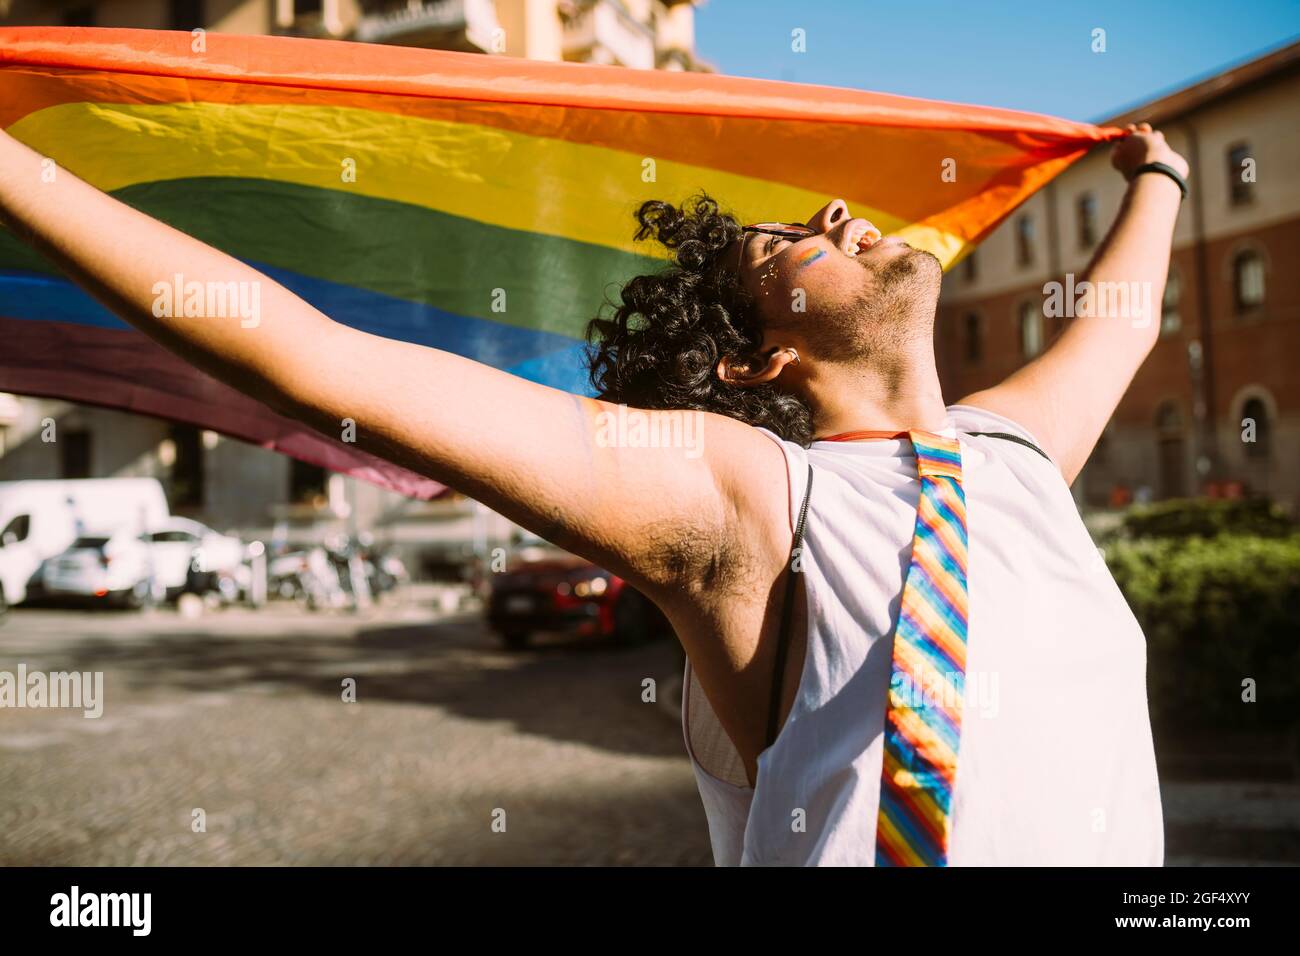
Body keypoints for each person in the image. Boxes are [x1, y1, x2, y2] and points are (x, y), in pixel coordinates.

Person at [0, 120, 1188, 866]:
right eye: (783, 246)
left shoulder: (1013, 453)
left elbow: (1120, 326)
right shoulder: (747, 492)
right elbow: (317, 358)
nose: (831, 214)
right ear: (755, 360)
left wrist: (1164, 172)